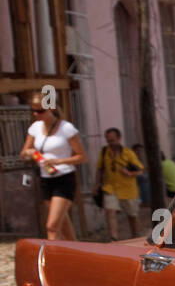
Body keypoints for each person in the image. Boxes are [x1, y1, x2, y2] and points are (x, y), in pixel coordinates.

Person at [20, 97, 86, 240]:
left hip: (64, 177)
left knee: (52, 226)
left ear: (51, 109)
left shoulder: (66, 128)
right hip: (46, 178)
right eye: (34, 110)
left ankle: (52, 259)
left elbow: (81, 156)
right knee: (62, 224)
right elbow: (23, 153)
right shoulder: (35, 128)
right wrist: (30, 153)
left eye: (40, 111)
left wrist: (58, 161)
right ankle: (76, 253)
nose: (36, 114)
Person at [96, 128, 143, 239]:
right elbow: (99, 169)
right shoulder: (104, 152)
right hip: (110, 188)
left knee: (132, 216)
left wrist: (129, 173)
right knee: (110, 212)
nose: (110, 143)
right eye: (108, 141)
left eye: (112, 140)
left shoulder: (128, 153)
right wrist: (96, 185)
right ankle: (114, 238)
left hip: (128, 190)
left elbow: (140, 171)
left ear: (119, 138)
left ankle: (136, 237)